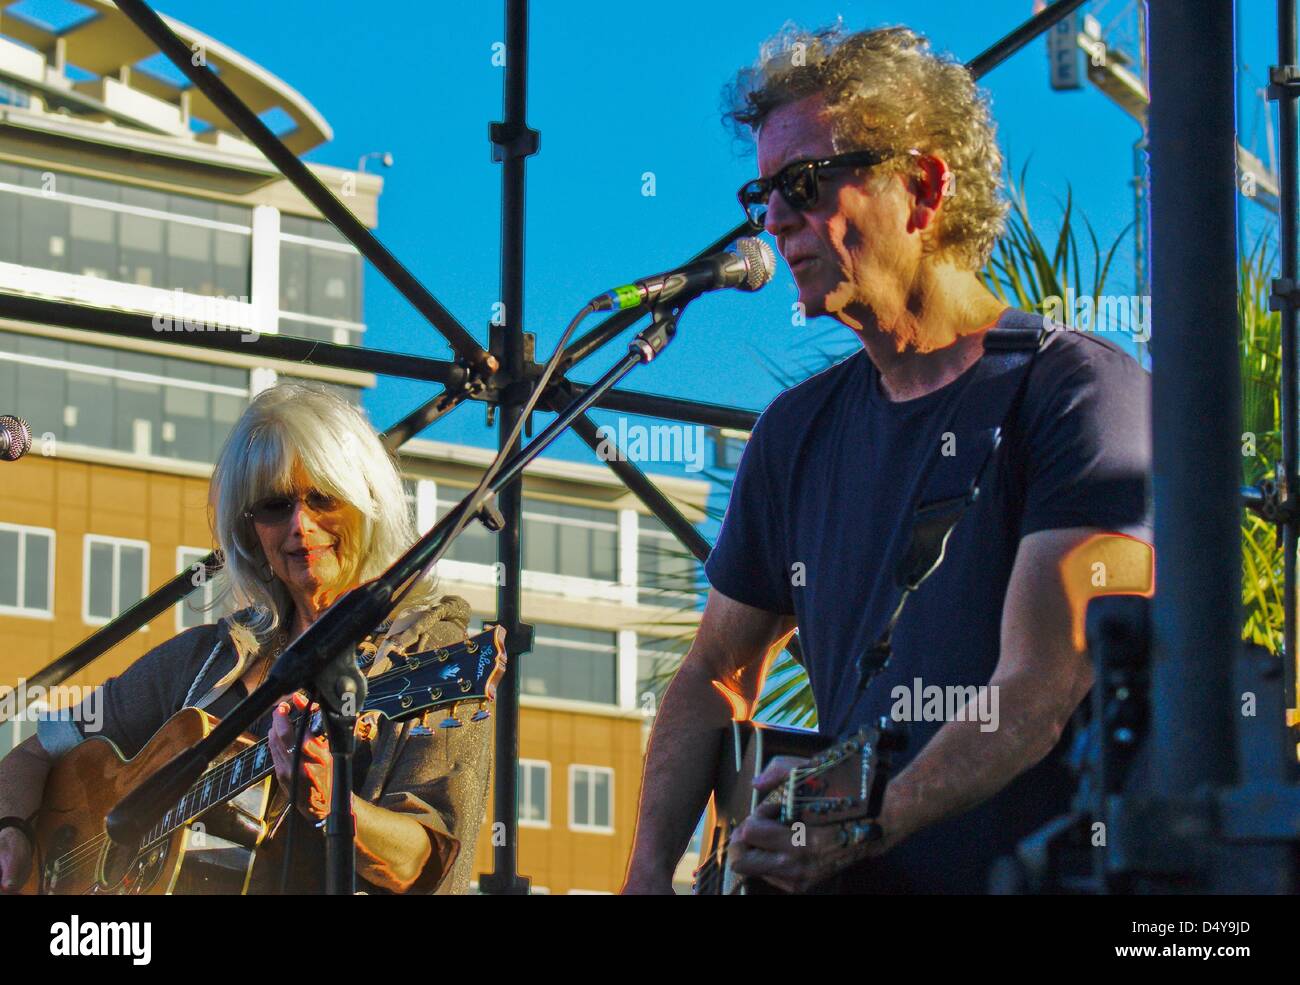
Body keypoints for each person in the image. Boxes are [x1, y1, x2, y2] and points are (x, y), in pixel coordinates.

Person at [623, 24, 1151, 894]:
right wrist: (645, 878)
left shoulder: (1080, 392)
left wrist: (868, 822)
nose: (776, 217)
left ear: (925, 185)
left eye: (804, 181)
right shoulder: (794, 433)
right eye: (763, 193)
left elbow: (1039, 686)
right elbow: (715, 672)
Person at [0, 383, 491, 894]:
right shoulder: (209, 658)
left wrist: (330, 803)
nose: (301, 526)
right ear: (248, 527)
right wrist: (12, 830)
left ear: (368, 501)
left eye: (324, 498)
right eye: (274, 506)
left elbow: (426, 861)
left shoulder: (430, 651)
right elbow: (33, 756)